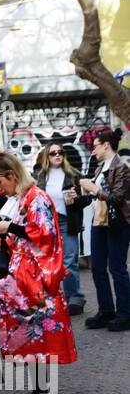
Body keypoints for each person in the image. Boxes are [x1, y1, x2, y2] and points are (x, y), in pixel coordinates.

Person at [0, 150, 77, 394]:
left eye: (0, 183)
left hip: (37, 281)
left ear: (12, 176)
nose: (0, 189)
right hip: (27, 279)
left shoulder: (36, 198)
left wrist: (10, 228)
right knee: (36, 341)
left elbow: (44, 235)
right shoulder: (25, 198)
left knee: (39, 340)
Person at [81, 126, 130, 332]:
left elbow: (117, 198)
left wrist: (95, 189)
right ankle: (106, 310)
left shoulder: (122, 167)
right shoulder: (99, 168)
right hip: (99, 222)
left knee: (117, 268)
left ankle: (125, 313)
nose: (92, 150)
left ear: (106, 145)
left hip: (117, 223)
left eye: (95, 146)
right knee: (97, 267)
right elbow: (98, 197)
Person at [33, 143, 89, 316]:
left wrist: (76, 198)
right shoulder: (40, 176)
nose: (57, 155)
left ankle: (75, 297)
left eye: (60, 152)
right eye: (53, 153)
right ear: (46, 157)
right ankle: (51, 298)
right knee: (47, 260)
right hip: (47, 221)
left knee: (69, 260)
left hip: (66, 221)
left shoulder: (74, 175)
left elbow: (86, 201)